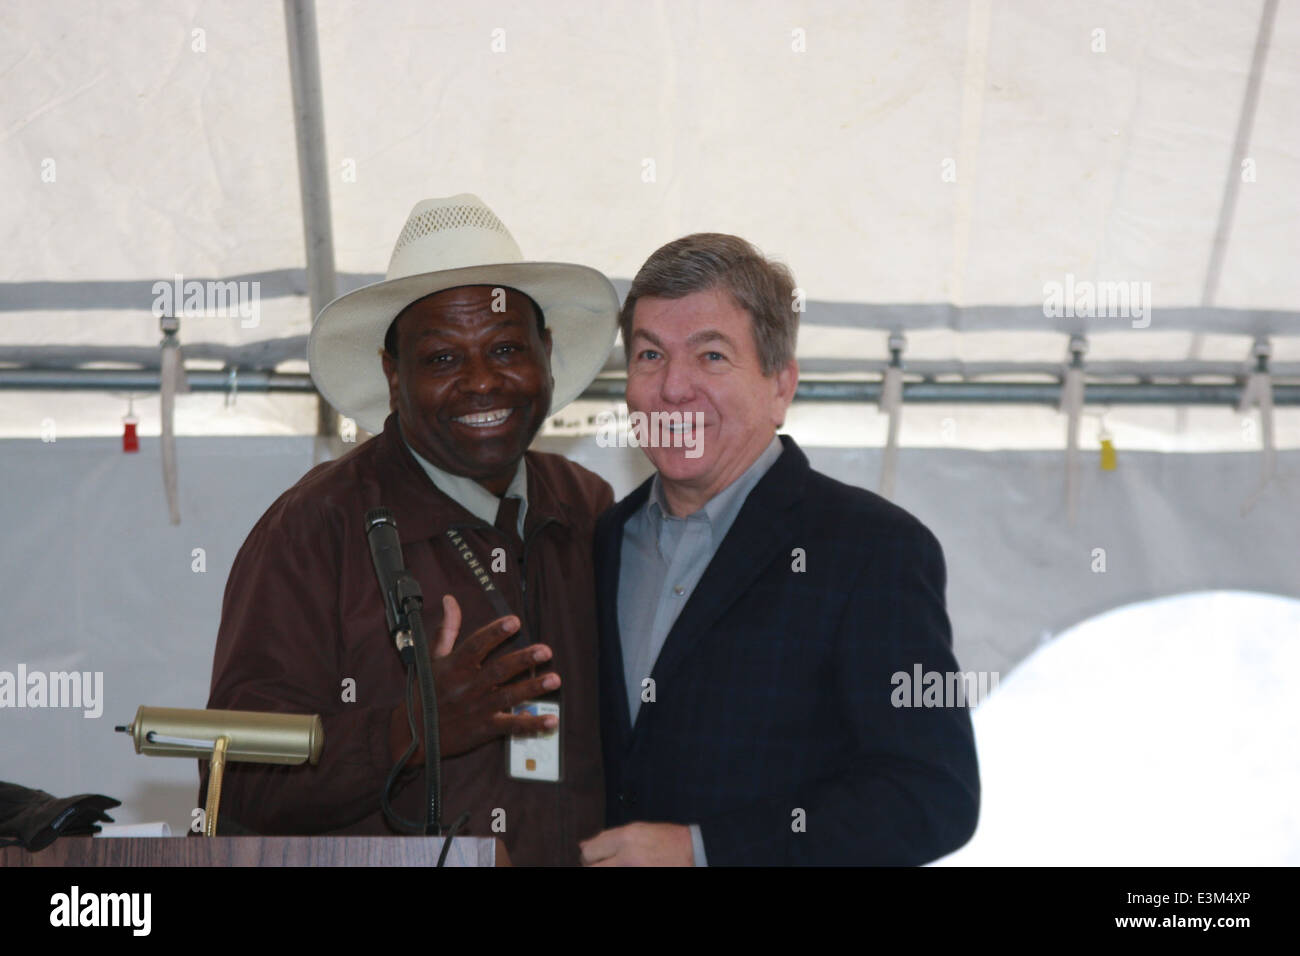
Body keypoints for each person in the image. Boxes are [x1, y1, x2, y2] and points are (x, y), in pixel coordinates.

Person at [202, 194, 620, 866]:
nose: (483, 382)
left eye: (507, 348)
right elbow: (233, 781)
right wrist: (408, 730)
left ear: (547, 354)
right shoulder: (314, 529)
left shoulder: (586, 508)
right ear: (393, 375)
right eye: (442, 360)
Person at [579, 233, 980, 866]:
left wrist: (702, 852)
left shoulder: (875, 551)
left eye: (711, 356)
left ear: (779, 386)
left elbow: (932, 794)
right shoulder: (603, 542)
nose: (674, 387)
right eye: (650, 354)